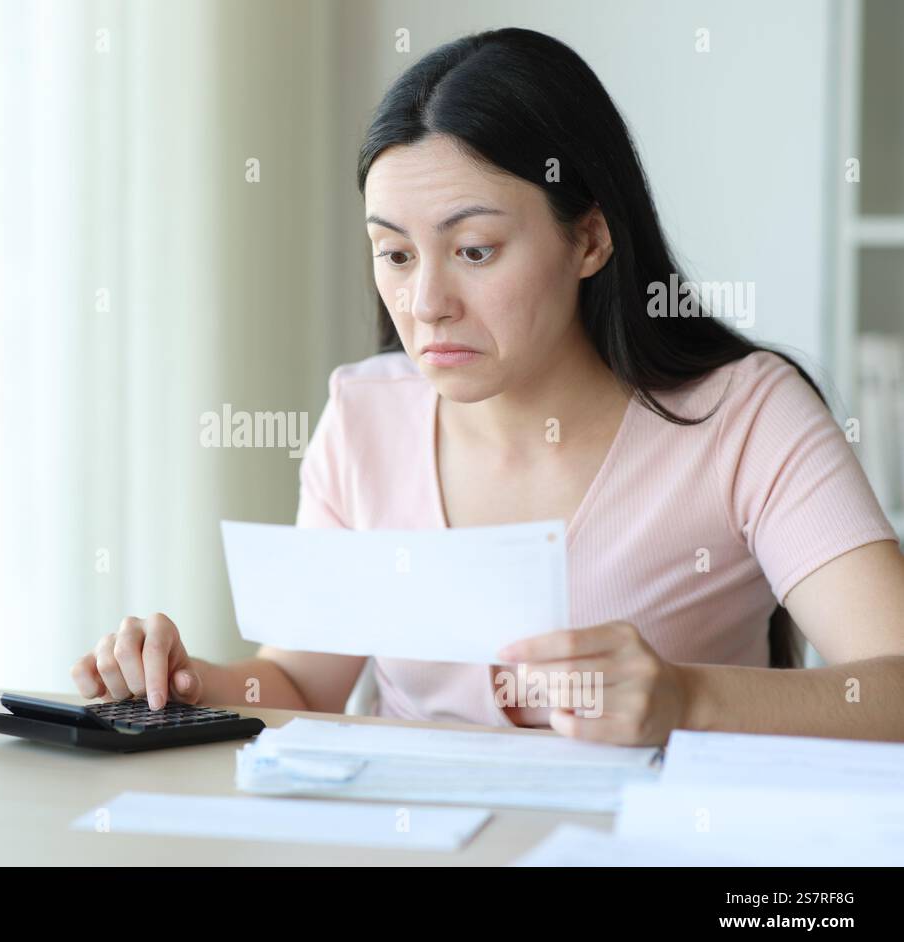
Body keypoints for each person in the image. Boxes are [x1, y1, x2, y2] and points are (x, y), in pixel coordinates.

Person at [70, 28, 904, 746]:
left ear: (590, 239)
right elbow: (300, 684)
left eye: (474, 250)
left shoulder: (745, 417)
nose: (425, 303)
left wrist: (686, 700)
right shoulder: (364, 420)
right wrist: (182, 683)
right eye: (396, 255)